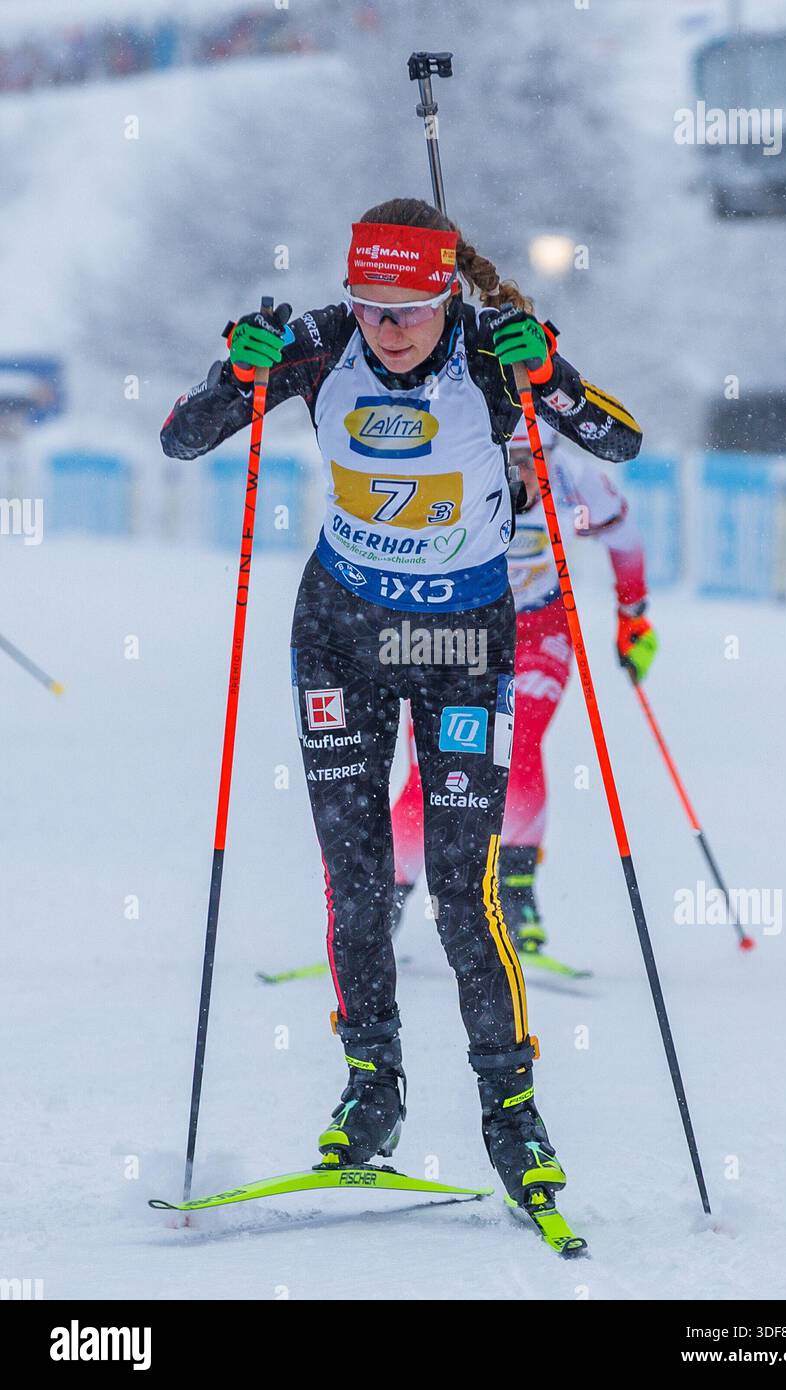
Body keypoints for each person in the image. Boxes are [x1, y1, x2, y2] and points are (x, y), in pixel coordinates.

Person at [160, 197, 642, 1212]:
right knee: (356, 870)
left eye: (407, 307)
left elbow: (618, 441)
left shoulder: (489, 352)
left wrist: (547, 378)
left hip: (463, 643)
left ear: (443, 294)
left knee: (464, 884)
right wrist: (234, 374)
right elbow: (184, 438)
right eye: (369, 304)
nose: (386, 327)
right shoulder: (318, 344)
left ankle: (510, 1112)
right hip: (340, 636)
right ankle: (369, 1090)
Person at [390, 419, 656, 955]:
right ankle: (381, 905)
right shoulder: (452, 477)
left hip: (541, 628)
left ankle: (515, 893)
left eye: (527, 460)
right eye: (504, 462)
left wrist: (633, 617)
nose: (517, 475)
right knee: (434, 764)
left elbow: (625, 542)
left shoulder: (575, 481)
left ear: (548, 453)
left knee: (518, 739)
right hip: (462, 631)